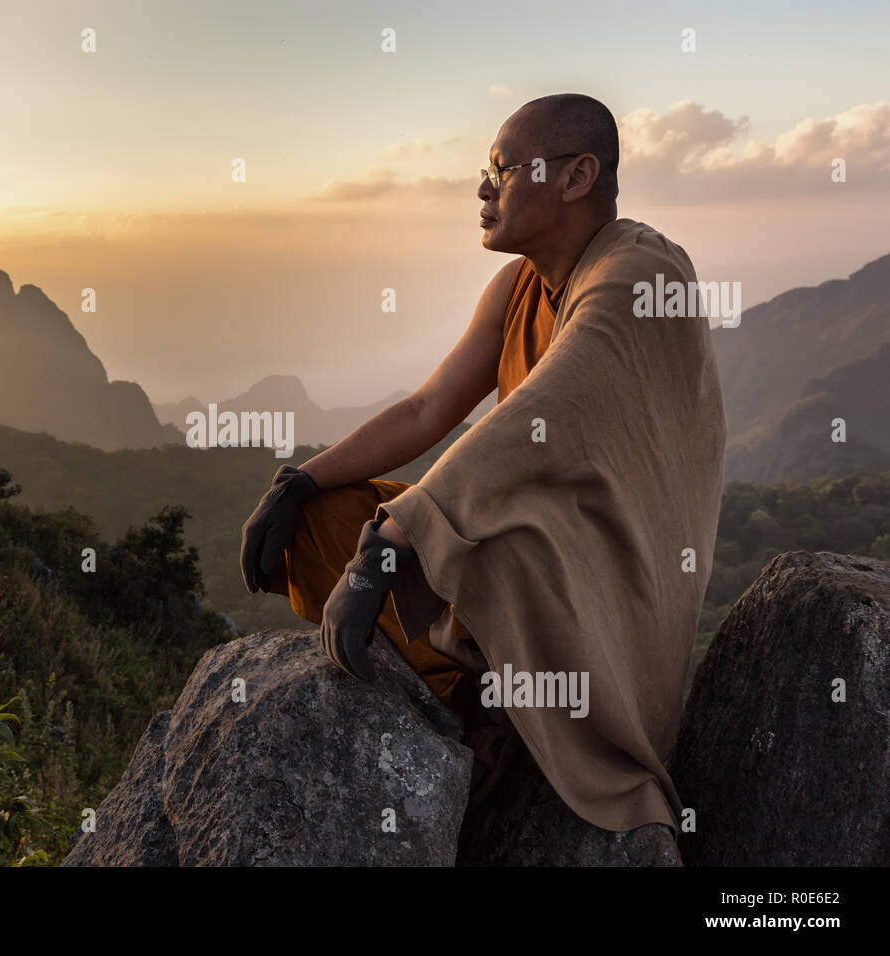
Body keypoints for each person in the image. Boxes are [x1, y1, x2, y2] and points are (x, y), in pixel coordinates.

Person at [240, 93, 726, 833]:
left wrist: (395, 538)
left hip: (598, 587)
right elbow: (427, 410)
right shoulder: (519, 284)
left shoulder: (640, 275)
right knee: (324, 518)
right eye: (486, 169)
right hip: (522, 551)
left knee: (482, 541)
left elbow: (542, 414)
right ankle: (476, 710)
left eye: (502, 168)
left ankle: (512, 714)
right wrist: (301, 480)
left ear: (576, 176)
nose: (483, 187)